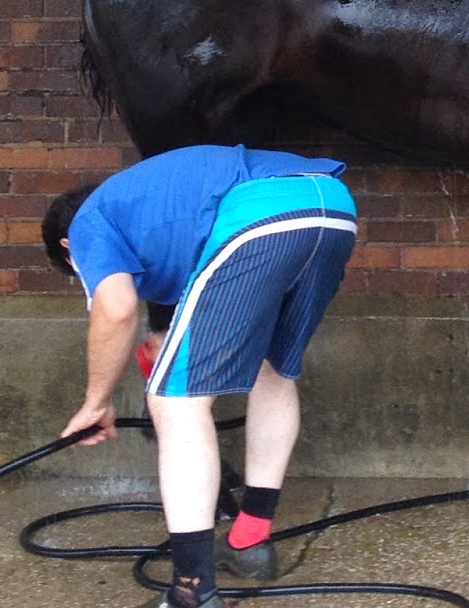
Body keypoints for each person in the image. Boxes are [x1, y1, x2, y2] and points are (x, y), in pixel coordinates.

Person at [43, 144, 357, 608]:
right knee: (273, 370)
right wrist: (159, 344)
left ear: (68, 248)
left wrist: (96, 402)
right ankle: (250, 541)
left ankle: (192, 592)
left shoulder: (88, 224)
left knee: (176, 401)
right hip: (331, 206)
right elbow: (186, 303)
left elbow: (116, 308)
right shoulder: (154, 207)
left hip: (258, 216)